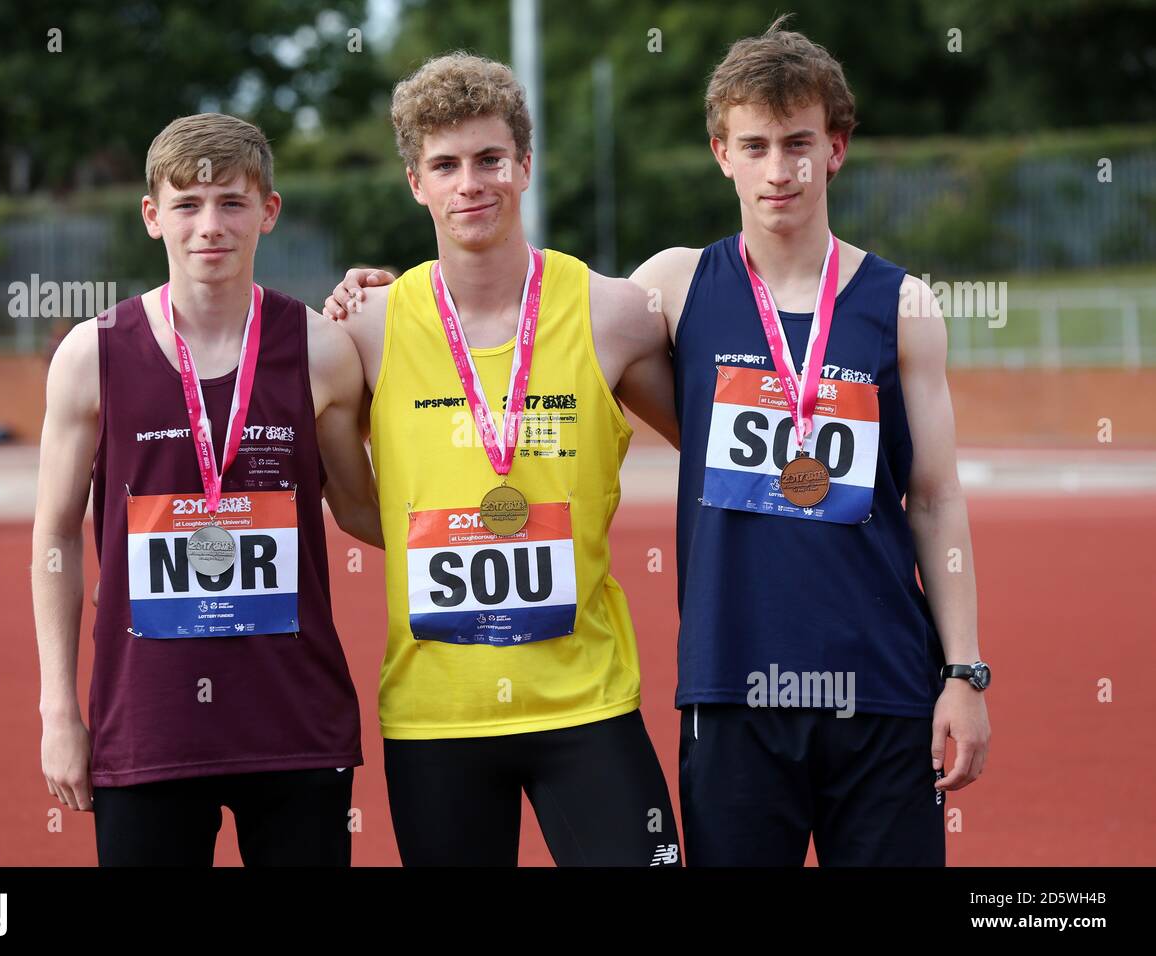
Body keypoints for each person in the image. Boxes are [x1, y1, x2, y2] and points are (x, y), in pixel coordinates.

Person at [327, 20, 992, 867]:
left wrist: (964, 671)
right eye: (755, 145)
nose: (779, 168)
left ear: (837, 148)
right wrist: (363, 289)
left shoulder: (882, 306)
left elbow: (922, 494)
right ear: (722, 153)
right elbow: (367, 467)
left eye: (798, 143)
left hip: (867, 681)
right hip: (707, 691)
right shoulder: (656, 292)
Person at [328, 53, 680, 866]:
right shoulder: (367, 327)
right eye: (445, 166)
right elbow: (350, 502)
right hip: (436, 714)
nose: (470, 184)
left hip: (585, 703)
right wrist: (459, 543)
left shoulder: (613, 314)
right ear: (416, 182)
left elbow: (708, 450)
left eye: (490, 159)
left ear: (524, 165)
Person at [31, 113, 380, 866]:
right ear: (153, 217)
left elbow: (361, 509)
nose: (210, 226)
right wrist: (60, 709)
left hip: (294, 723)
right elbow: (55, 536)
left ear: (269, 211)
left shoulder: (321, 349)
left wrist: (484, 522)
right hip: (148, 723)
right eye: (187, 205)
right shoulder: (91, 356)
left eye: (232, 201)